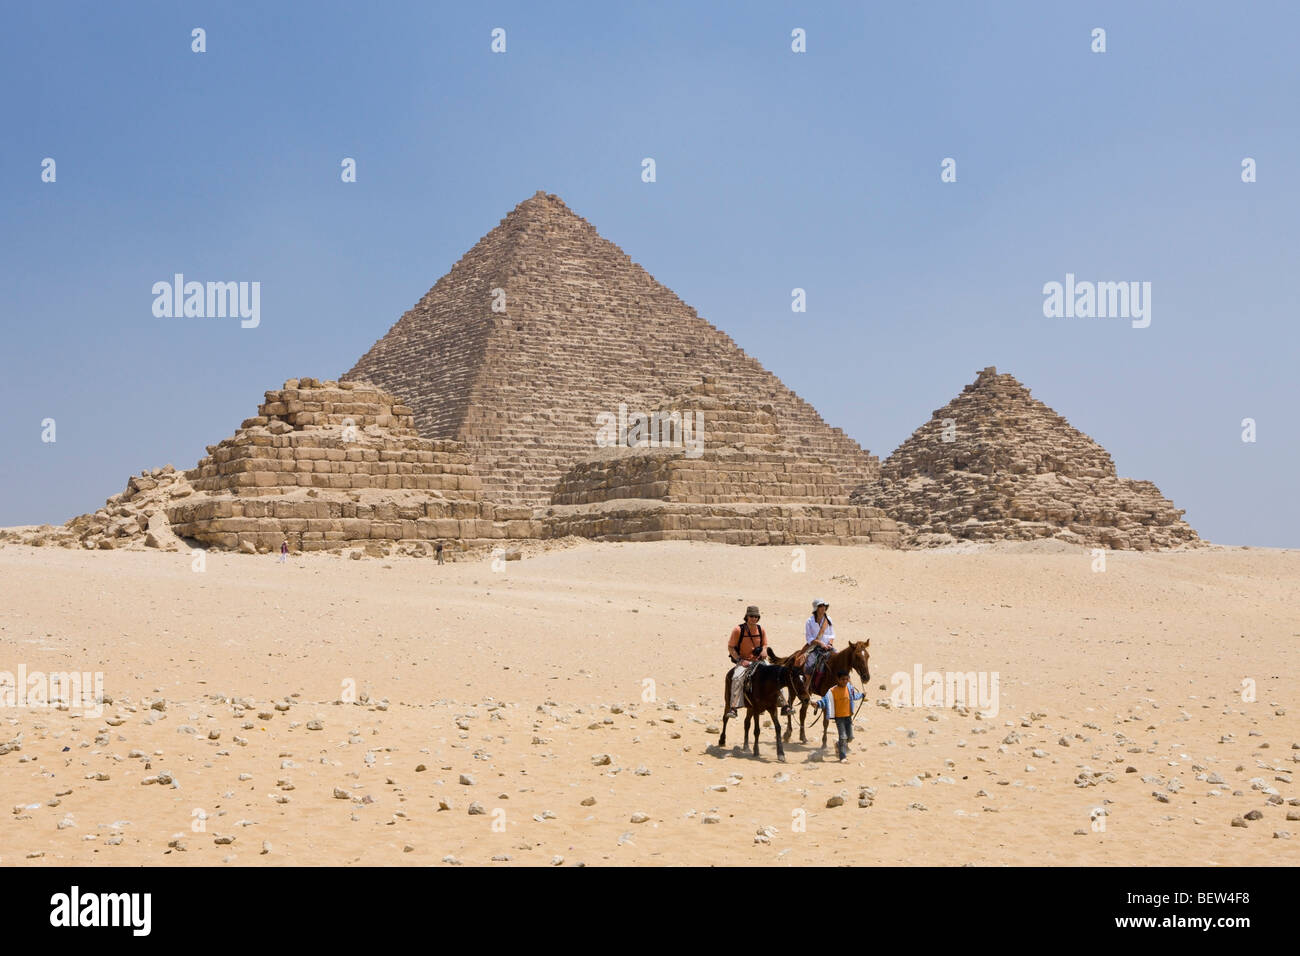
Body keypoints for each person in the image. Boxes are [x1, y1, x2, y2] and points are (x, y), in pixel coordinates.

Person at [726, 606, 768, 719]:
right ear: (747, 617)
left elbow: (764, 644)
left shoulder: (761, 630)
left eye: (756, 616)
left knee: (775, 674)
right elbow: (731, 647)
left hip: (759, 661)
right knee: (737, 678)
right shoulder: (738, 630)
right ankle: (733, 707)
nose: (754, 618)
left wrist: (764, 651)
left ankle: (783, 703)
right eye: (751, 616)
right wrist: (740, 660)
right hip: (743, 661)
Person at [815, 671, 863, 762]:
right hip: (839, 718)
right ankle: (842, 757)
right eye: (842, 679)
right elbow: (825, 700)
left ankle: (838, 744)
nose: (845, 681)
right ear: (838, 679)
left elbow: (854, 696)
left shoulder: (849, 688)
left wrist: (862, 695)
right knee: (843, 736)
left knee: (850, 737)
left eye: (847, 679)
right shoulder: (832, 691)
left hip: (848, 717)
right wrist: (818, 704)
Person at [804, 598, 834, 675]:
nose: (823, 607)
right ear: (816, 608)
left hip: (828, 647)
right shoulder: (809, 621)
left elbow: (832, 635)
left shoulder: (829, 619)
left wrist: (830, 644)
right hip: (815, 648)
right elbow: (809, 638)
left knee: (841, 661)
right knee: (810, 665)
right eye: (821, 606)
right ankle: (808, 684)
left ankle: (849, 686)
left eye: (824, 605)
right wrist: (820, 644)